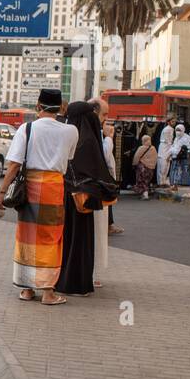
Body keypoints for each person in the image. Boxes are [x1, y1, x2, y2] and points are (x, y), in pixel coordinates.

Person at [0, 88, 78, 306]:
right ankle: (48, 292)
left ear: (38, 107)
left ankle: (26, 289)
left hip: (30, 187)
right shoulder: (71, 131)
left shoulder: (27, 128)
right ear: (61, 108)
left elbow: (14, 164)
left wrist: (2, 191)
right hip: (54, 187)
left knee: (27, 237)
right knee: (51, 238)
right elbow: (68, 158)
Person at [55, 101, 118, 296]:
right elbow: (98, 171)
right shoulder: (89, 140)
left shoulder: (68, 137)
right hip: (82, 199)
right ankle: (77, 283)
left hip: (65, 196)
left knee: (66, 241)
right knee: (80, 241)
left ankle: (64, 280)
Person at [103, 120, 123, 235]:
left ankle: (109, 224)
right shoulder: (104, 138)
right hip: (105, 175)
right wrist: (109, 137)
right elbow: (106, 154)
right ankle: (109, 225)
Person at [167, 121, 190, 190]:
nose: (178, 132)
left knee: (181, 171)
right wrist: (171, 153)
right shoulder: (176, 138)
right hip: (176, 158)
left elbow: (187, 148)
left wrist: (174, 151)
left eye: (179, 130)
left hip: (183, 158)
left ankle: (179, 184)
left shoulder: (186, 138)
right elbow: (173, 147)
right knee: (175, 171)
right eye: (176, 130)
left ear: (183, 130)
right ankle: (174, 185)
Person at [132, 134, 157, 198]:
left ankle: (145, 194)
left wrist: (134, 165)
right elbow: (155, 158)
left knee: (142, 181)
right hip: (151, 169)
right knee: (146, 181)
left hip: (142, 168)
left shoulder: (141, 148)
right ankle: (145, 194)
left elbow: (136, 157)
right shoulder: (153, 148)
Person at [155, 117, 177, 187]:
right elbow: (168, 141)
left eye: (174, 122)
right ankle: (161, 182)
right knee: (162, 166)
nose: (174, 123)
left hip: (168, 147)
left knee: (166, 167)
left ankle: (163, 181)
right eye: (172, 121)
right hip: (164, 148)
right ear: (168, 122)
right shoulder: (167, 129)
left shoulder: (171, 129)